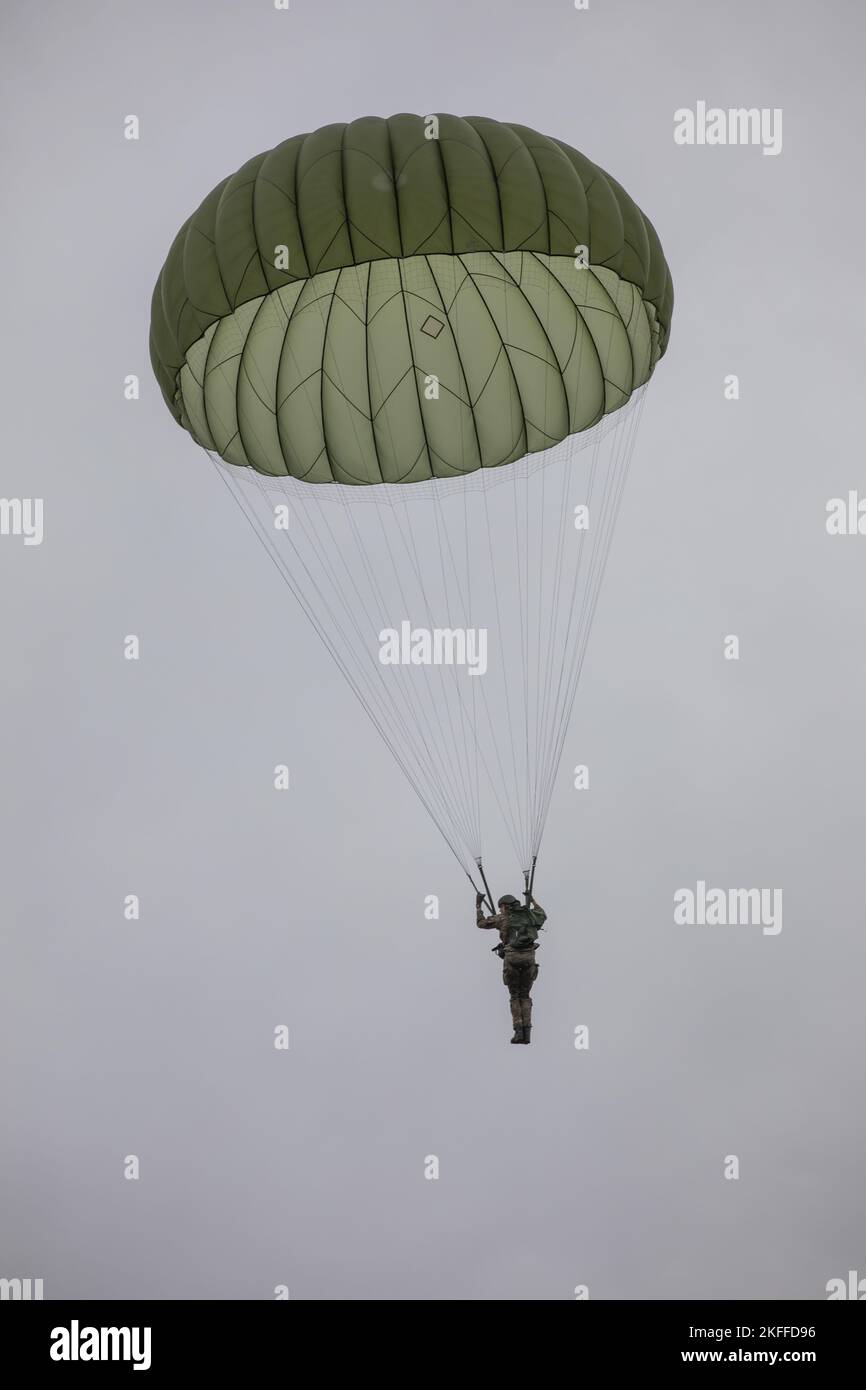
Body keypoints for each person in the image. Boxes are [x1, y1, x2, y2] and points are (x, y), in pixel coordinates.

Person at [476, 891, 547, 1044]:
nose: (500, 910)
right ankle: (527, 1034)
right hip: (529, 959)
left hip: (512, 959)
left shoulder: (503, 918)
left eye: (501, 908)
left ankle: (518, 1032)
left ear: (506, 907)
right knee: (525, 996)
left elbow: (481, 923)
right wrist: (532, 899)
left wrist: (478, 905)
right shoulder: (529, 914)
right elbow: (542, 914)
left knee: (515, 997)